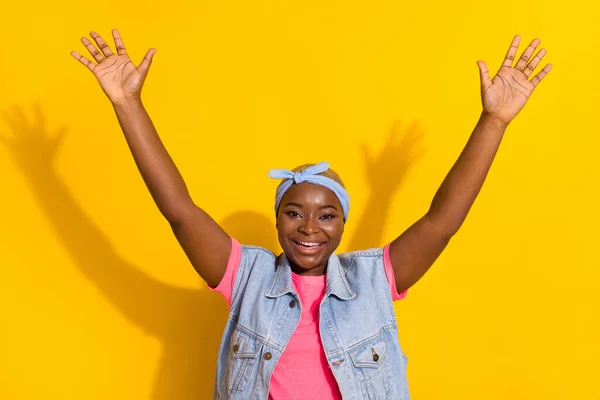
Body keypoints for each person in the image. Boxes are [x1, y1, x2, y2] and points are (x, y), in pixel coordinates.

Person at [70, 30, 552, 399]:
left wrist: (493, 122)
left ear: (343, 223)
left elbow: (441, 222)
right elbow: (178, 209)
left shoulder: (375, 280)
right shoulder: (247, 276)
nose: (308, 228)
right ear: (276, 218)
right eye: (294, 212)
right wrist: (127, 104)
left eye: (326, 215)